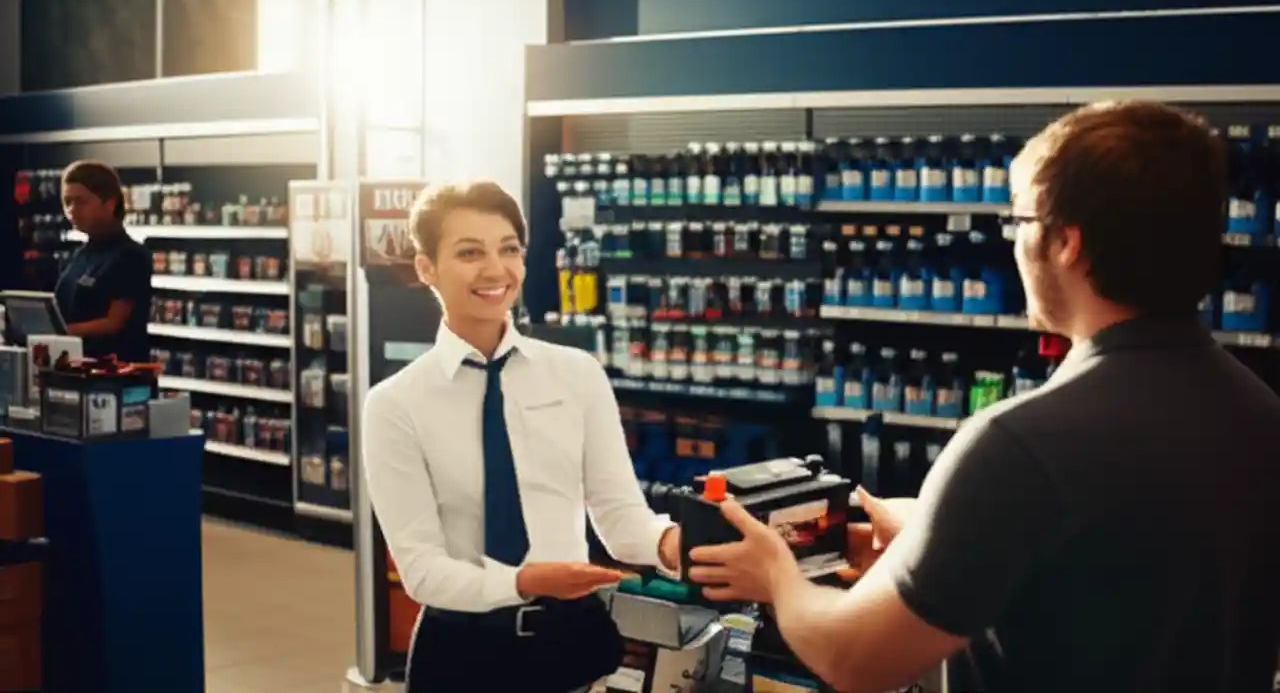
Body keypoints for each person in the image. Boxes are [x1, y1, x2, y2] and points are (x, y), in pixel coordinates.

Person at [687, 101, 1280, 693]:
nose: (1015, 242)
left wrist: (779, 575)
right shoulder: (1259, 413)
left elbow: (855, 660)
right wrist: (930, 542)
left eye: (1020, 220)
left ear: (1067, 243)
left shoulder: (1019, 445)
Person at [361, 182, 681, 692]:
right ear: (427, 269)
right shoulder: (395, 404)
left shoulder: (577, 375)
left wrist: (673, 543)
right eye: (470, 253)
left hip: (571, 646)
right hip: (462, 655)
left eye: (509, 249)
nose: (495, 270)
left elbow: (619, 517)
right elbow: (421, 570)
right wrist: (523, 582)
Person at [55, 160, 151, 362]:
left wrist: (60, 331)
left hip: (115, 375)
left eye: (81, 201)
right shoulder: (80, 255)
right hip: (77, 368)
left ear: (110, 203)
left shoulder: (131, 256)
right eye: (67, 202)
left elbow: (114, 323)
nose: (72, 209)